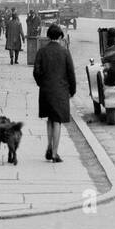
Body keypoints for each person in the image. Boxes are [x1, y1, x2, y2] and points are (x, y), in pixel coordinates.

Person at [33, 23, 77, 162]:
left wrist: (42, 83)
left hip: (46, 90)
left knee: (50, 119)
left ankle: (49, 145)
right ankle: (54, 153)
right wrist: (72, 90)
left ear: (48, 36)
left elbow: (36, 72)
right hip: (61, 91)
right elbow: (71, 73)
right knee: (57, 120)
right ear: (59, 36)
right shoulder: (65, 52)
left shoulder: (41, 51)